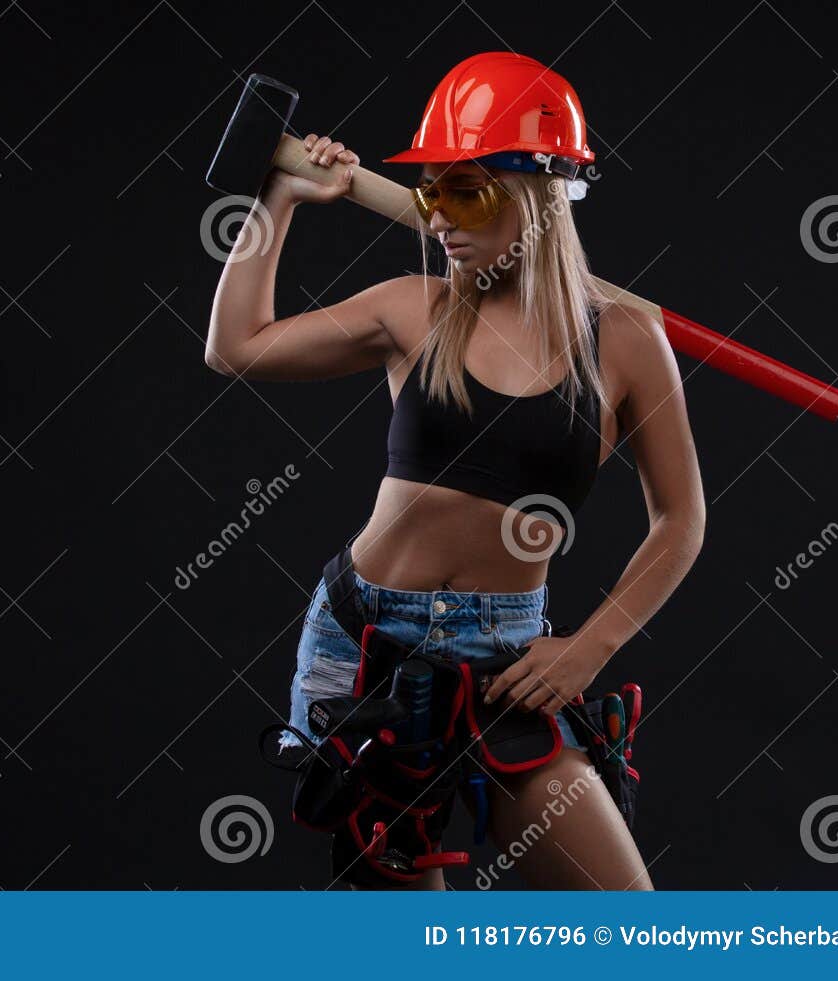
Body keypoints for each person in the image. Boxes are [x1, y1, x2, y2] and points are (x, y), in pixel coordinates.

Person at [204, 52, 705, 889]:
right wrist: (278, 197)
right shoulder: (415, 306)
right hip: (367, 639)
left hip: (509, 651)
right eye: (428, 190)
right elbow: (236, 347)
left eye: (464, 190)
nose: (438, 217)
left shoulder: (625, 339)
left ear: (540, 195)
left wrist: (590, 646)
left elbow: (681, 518)